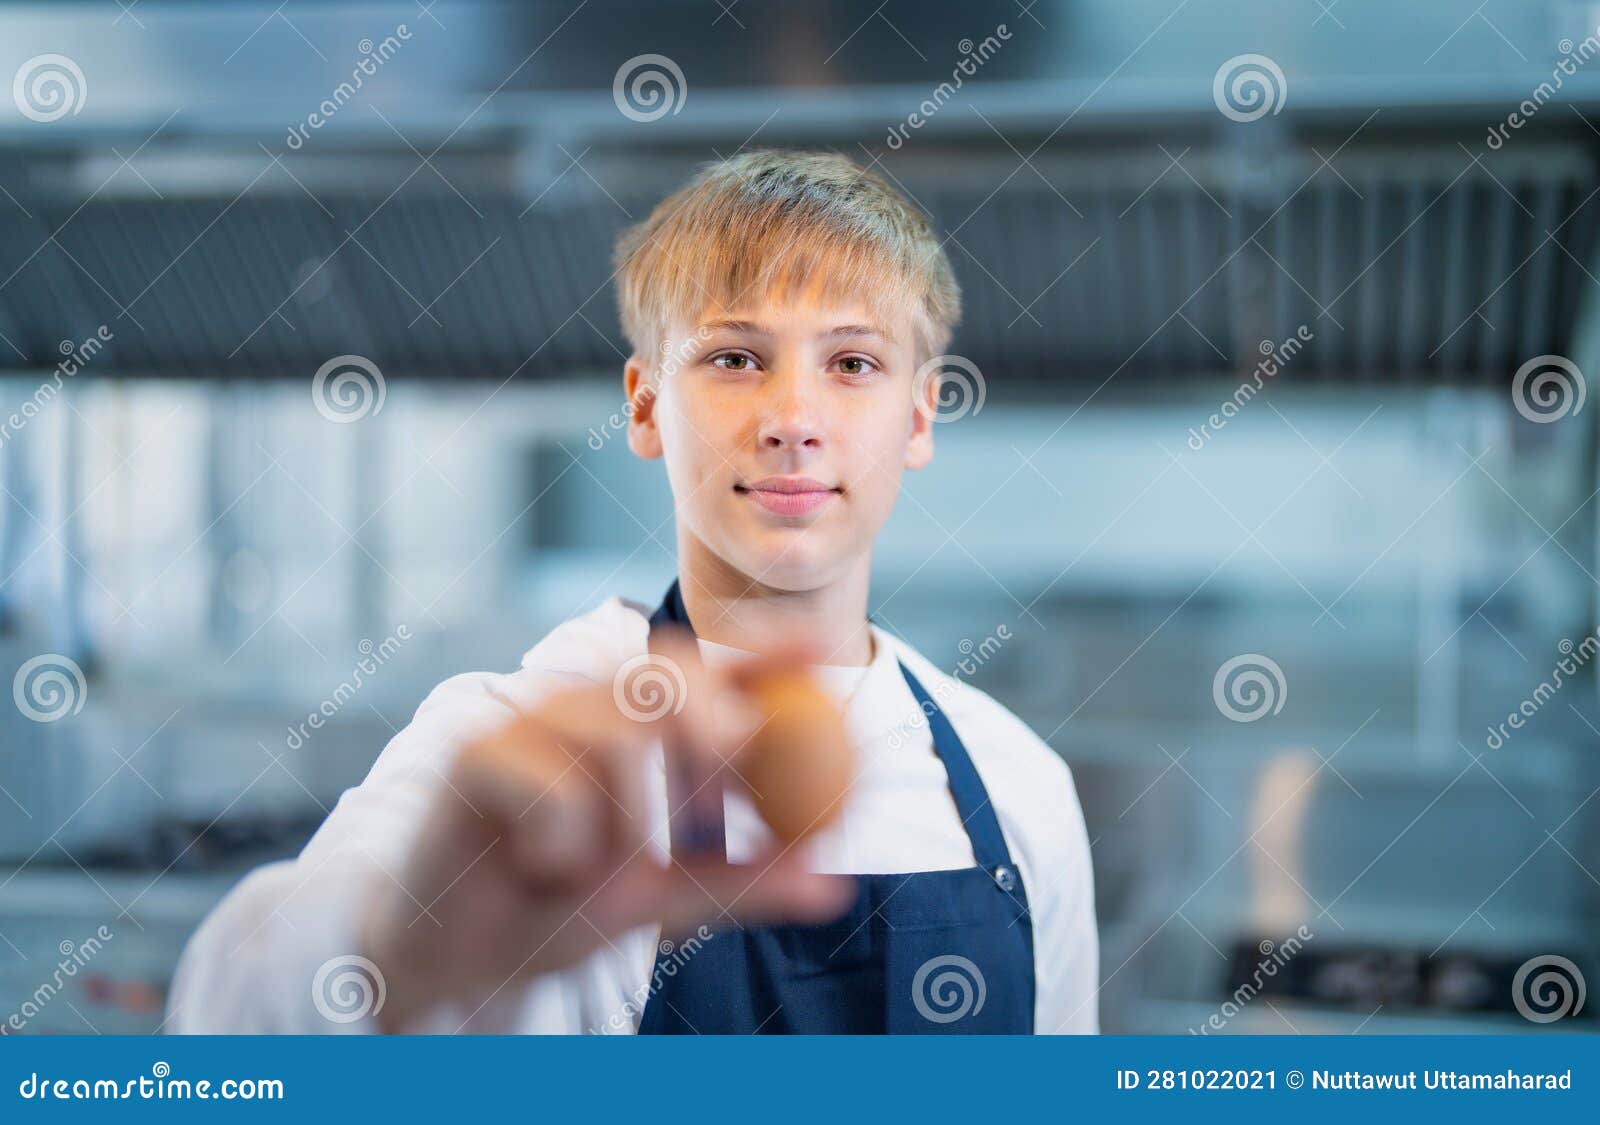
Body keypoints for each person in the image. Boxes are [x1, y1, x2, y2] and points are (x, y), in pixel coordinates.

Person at [167, 150, 1099, 1034]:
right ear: (647, 405)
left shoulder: (1017, 783)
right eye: (735, 358)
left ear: (919, 414)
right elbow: (234, 1022)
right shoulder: (517, 749)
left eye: (853, 363)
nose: (794, 421)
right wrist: (405, 948)